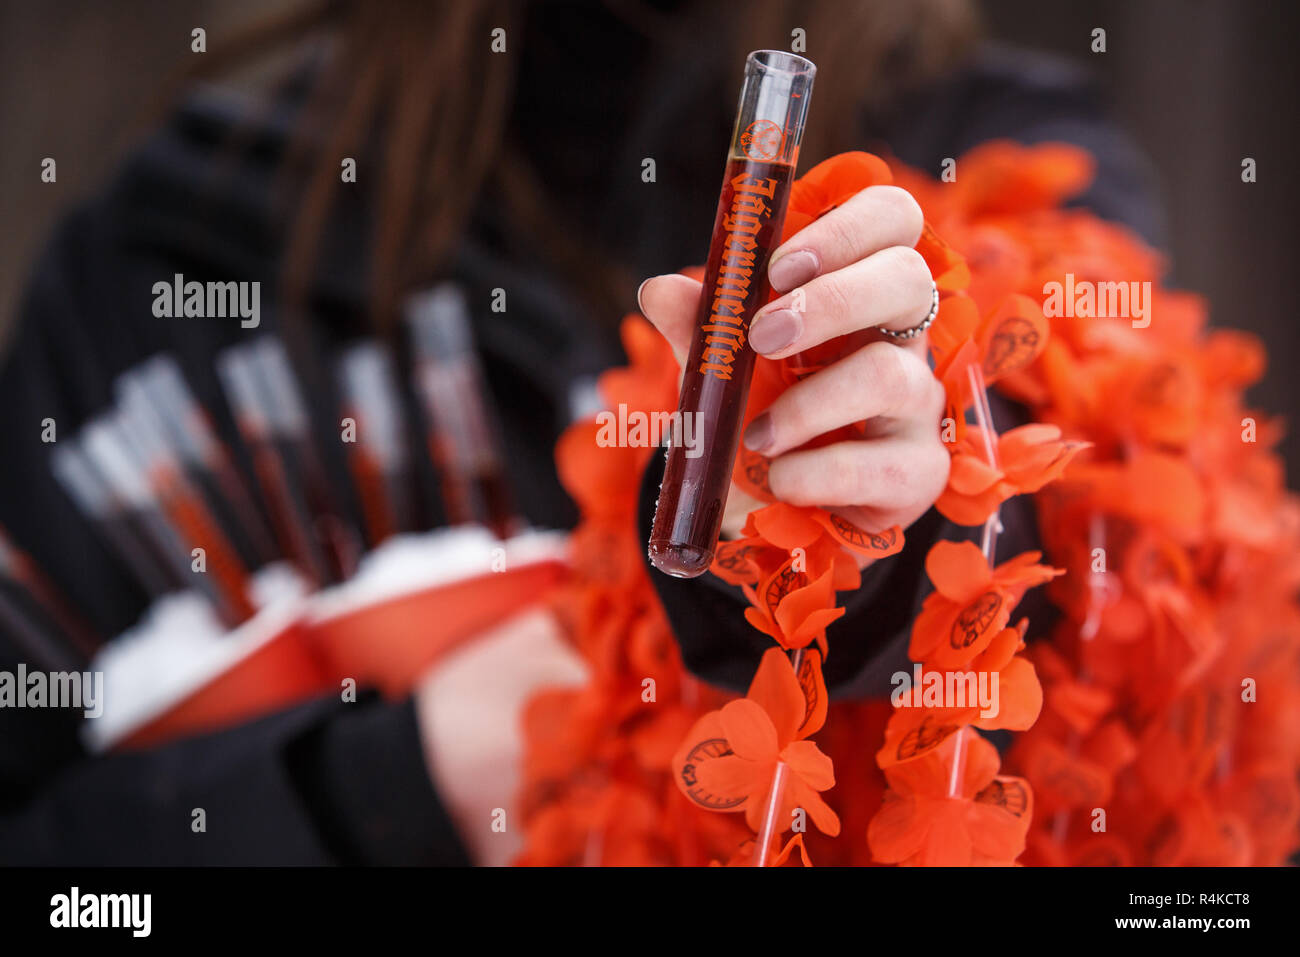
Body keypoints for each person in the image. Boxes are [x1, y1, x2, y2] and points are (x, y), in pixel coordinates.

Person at [0, 0, 1161, 865]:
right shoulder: (167, 250)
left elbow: (1093, 565)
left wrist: (882, 514)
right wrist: (383, 785)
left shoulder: (1014, 164)